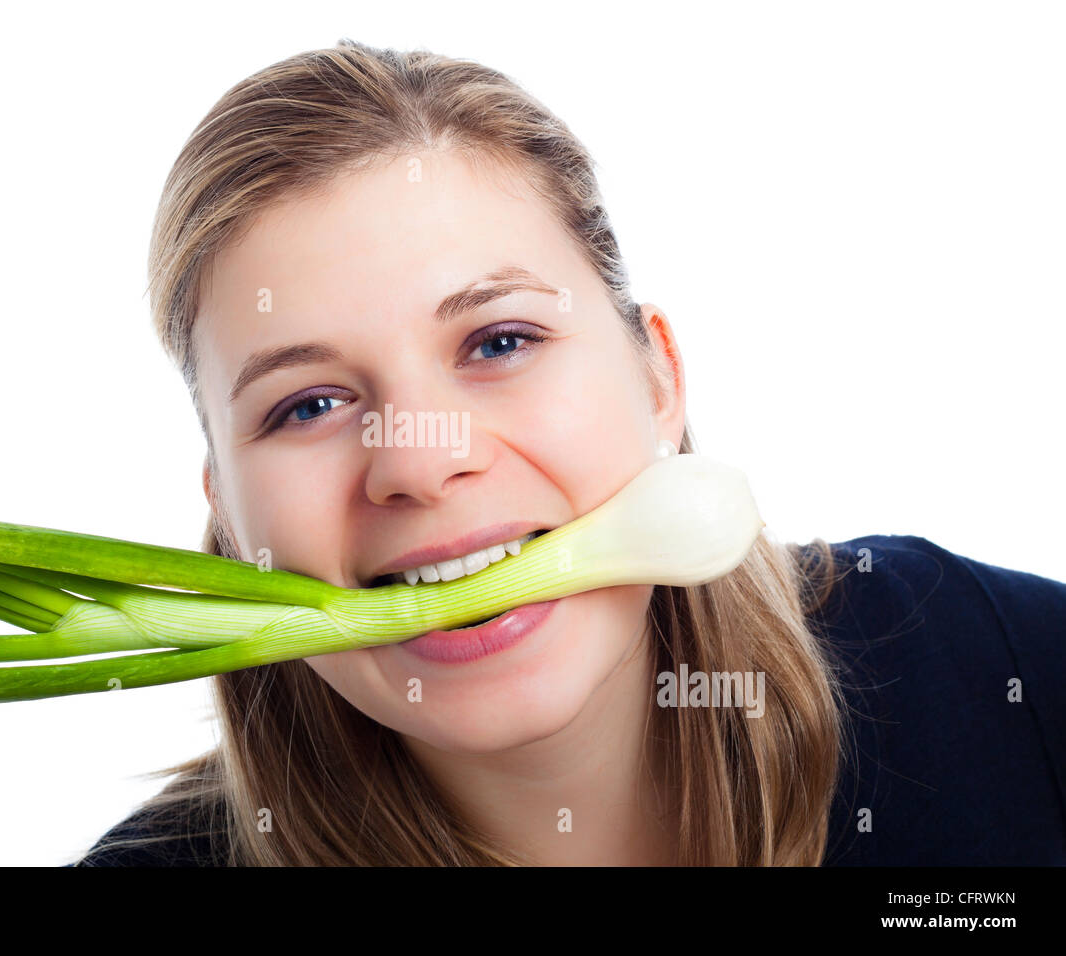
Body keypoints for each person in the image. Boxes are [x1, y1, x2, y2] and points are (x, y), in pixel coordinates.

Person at [72, 39, 1066, 866]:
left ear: (657, 378)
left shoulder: (1007, 667)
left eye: (498, 342)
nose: (419, 461)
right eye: (308, 404)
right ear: (227, 514)